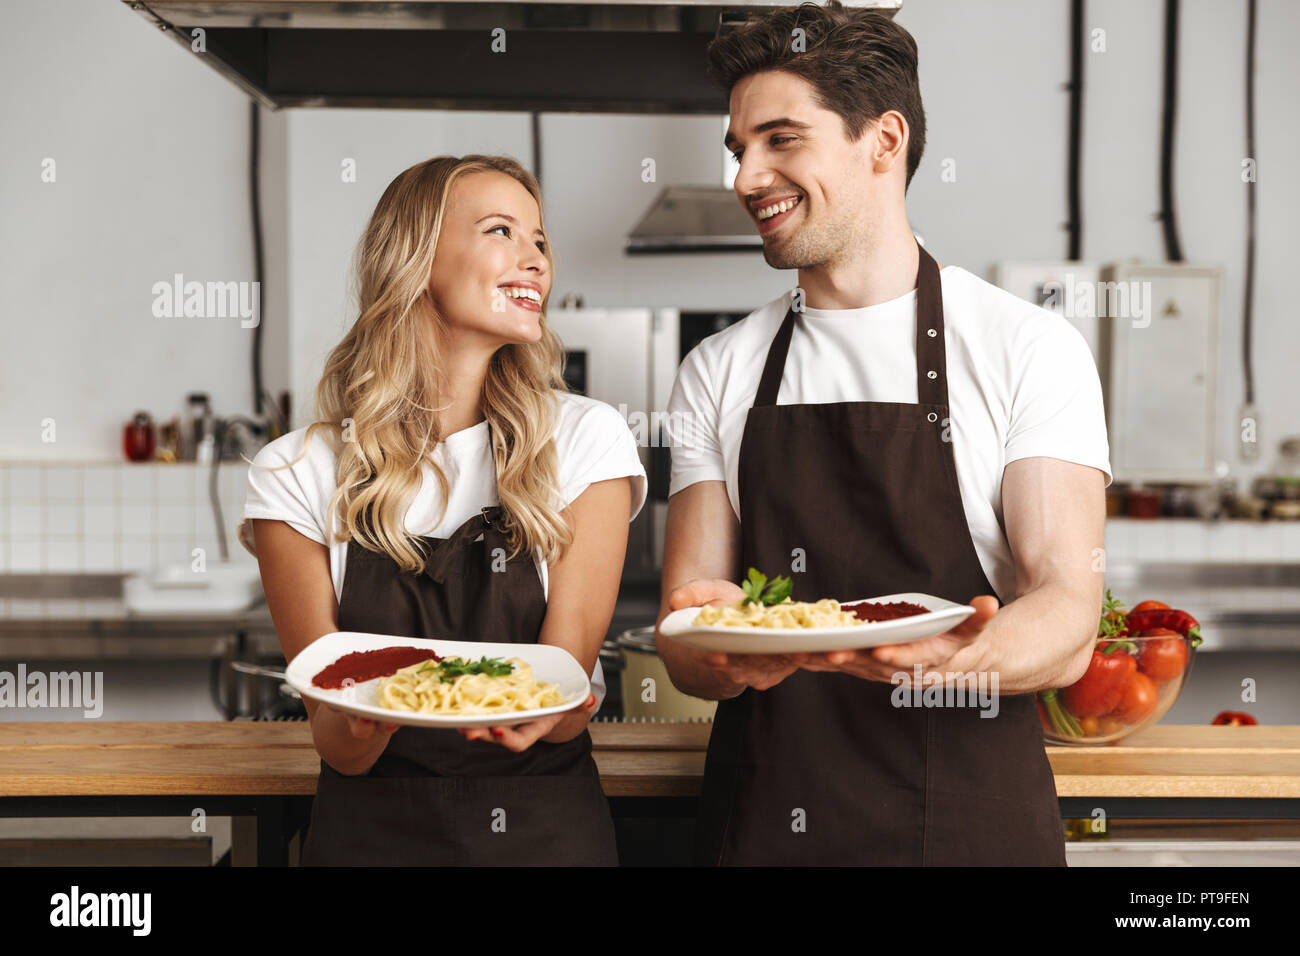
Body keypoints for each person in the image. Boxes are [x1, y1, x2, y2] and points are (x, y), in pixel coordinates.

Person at [657, 2, 1112, 865]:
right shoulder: (717, 368)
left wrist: (950, 658)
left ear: (884, 139)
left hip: (968, 826)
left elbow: (1065, 617)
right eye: (738, 149)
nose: (747, 178)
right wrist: (720, 649)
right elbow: (690, 637)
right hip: (769, 820)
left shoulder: (1026, 347)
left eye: (781, 140)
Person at [239, 154, 646, 866]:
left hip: (544, 835)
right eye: (502, 232)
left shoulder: (585, 438)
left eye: (541, 241)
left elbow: (560, 681)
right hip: (370, 839)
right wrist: (374, 716)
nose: (536, 261)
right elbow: (339, 745)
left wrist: (551, 711)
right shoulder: (296, 472)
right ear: (417, 260)